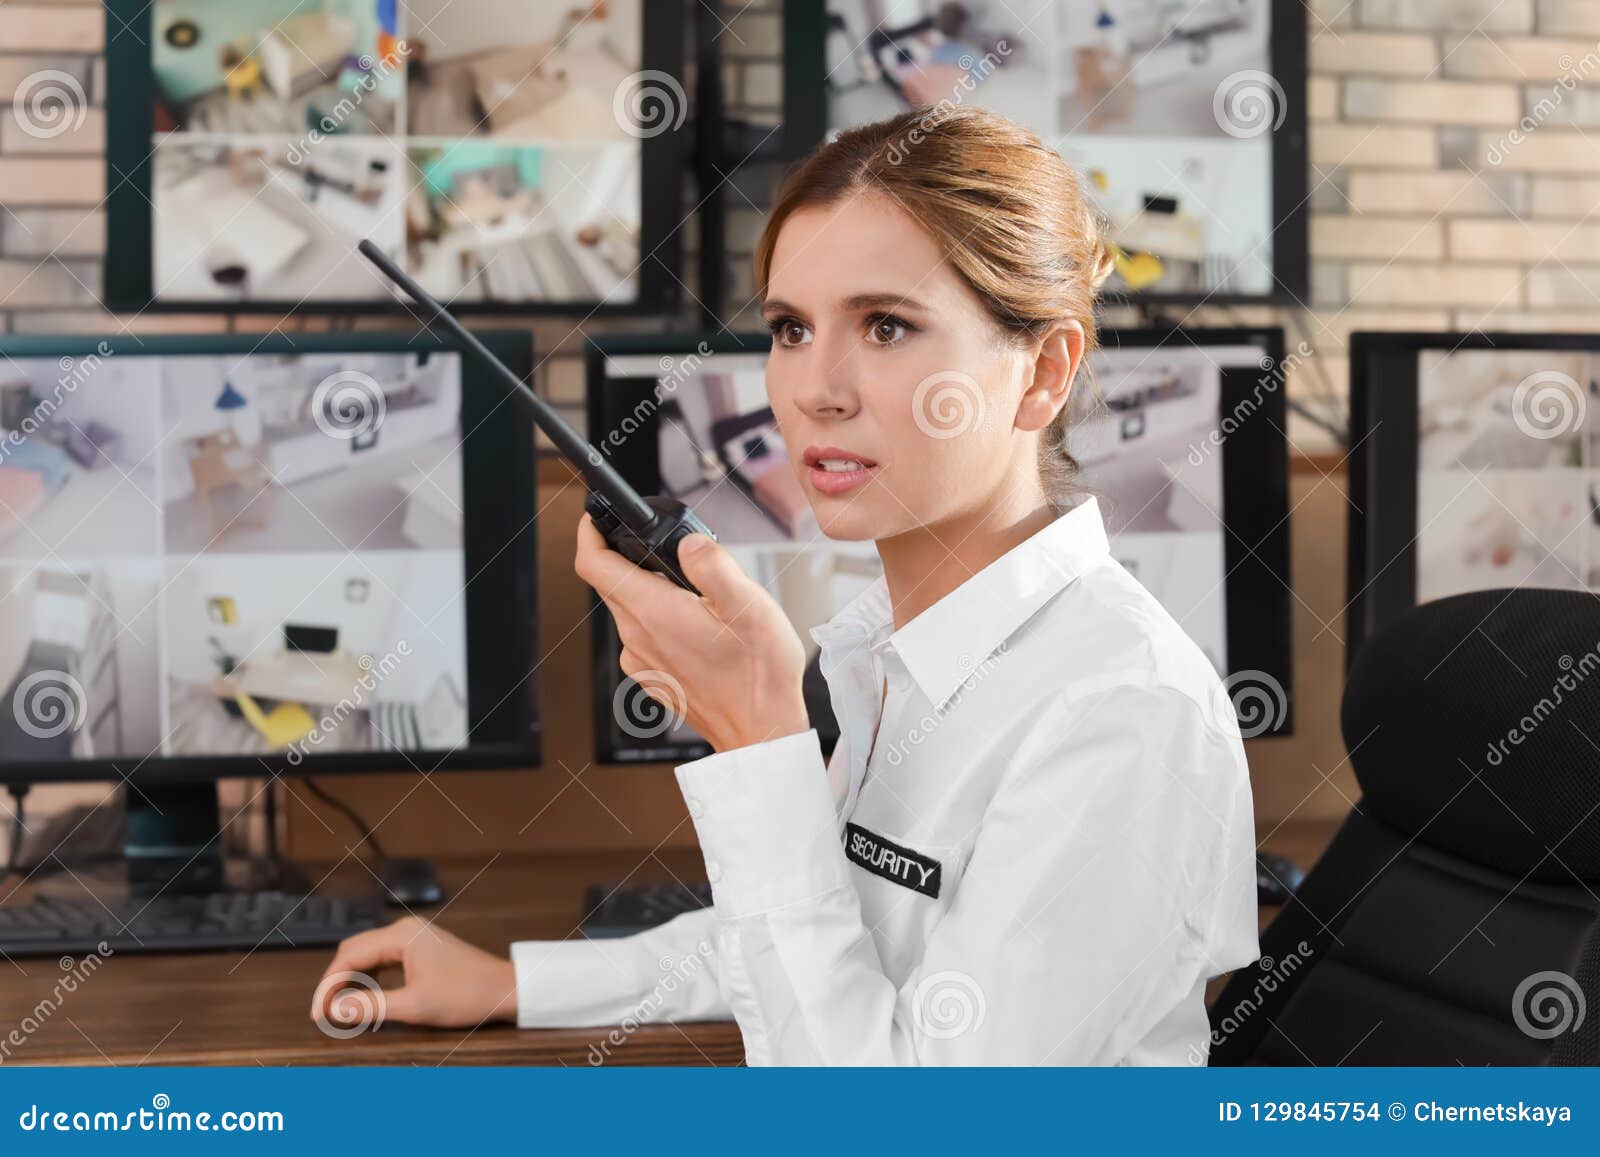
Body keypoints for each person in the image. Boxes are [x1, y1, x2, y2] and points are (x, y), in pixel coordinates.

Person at [312, 106, 1259, 1065]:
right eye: (790, 328)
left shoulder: (1126, 711)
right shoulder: (891, 646)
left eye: (887, 325)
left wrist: (760, 741)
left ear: (1042, 374)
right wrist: (519, 983)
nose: (815, 388)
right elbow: (821, 938)